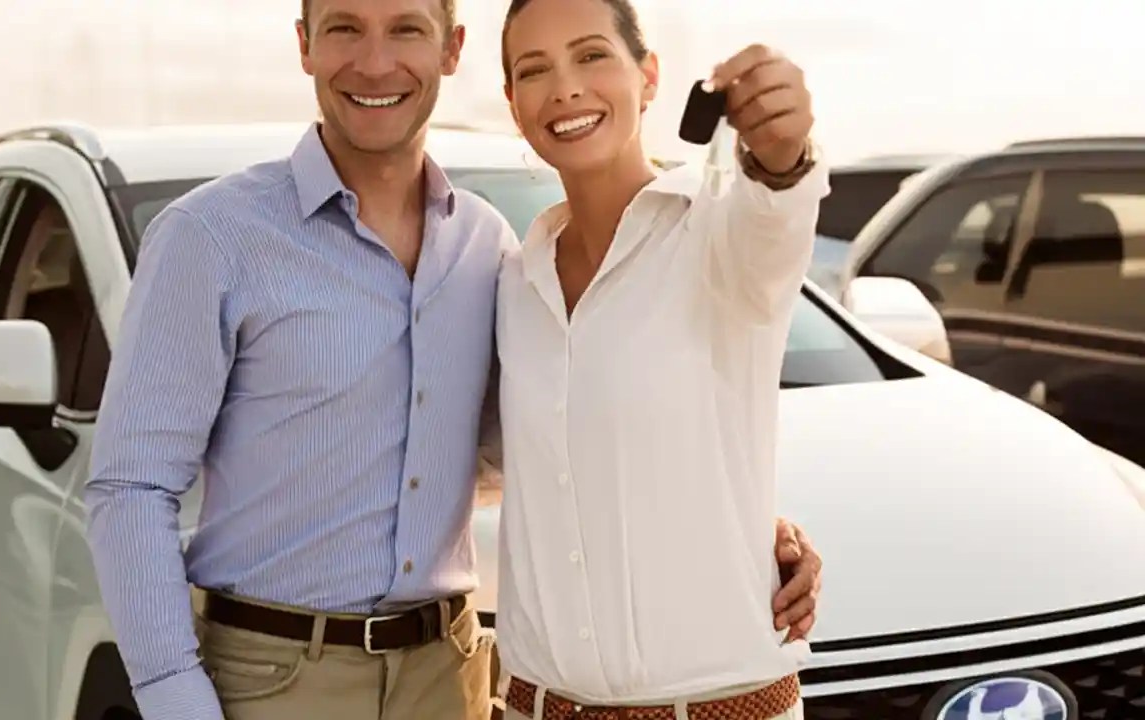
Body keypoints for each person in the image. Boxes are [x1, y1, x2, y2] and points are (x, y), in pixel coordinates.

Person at [83, 1, 822, 719]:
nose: (376, 62)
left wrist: (741, 523)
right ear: (305, 44)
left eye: (406, 28)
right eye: (345, 28)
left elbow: (545, 447)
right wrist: (176, 698)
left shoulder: (492, 252)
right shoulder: (210, 237)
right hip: (271, 682)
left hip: (450, 677)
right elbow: (129, 486)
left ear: (451, 50)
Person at [492, 1, 828, 719]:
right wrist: (751, 523)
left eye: (591, 56)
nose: (565, 88)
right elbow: (510, 469)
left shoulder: (718, 236)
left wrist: (780, 152)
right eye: (534, 70)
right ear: (513, 104)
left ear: (649, 78)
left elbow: (778, 212)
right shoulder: (513, 285)